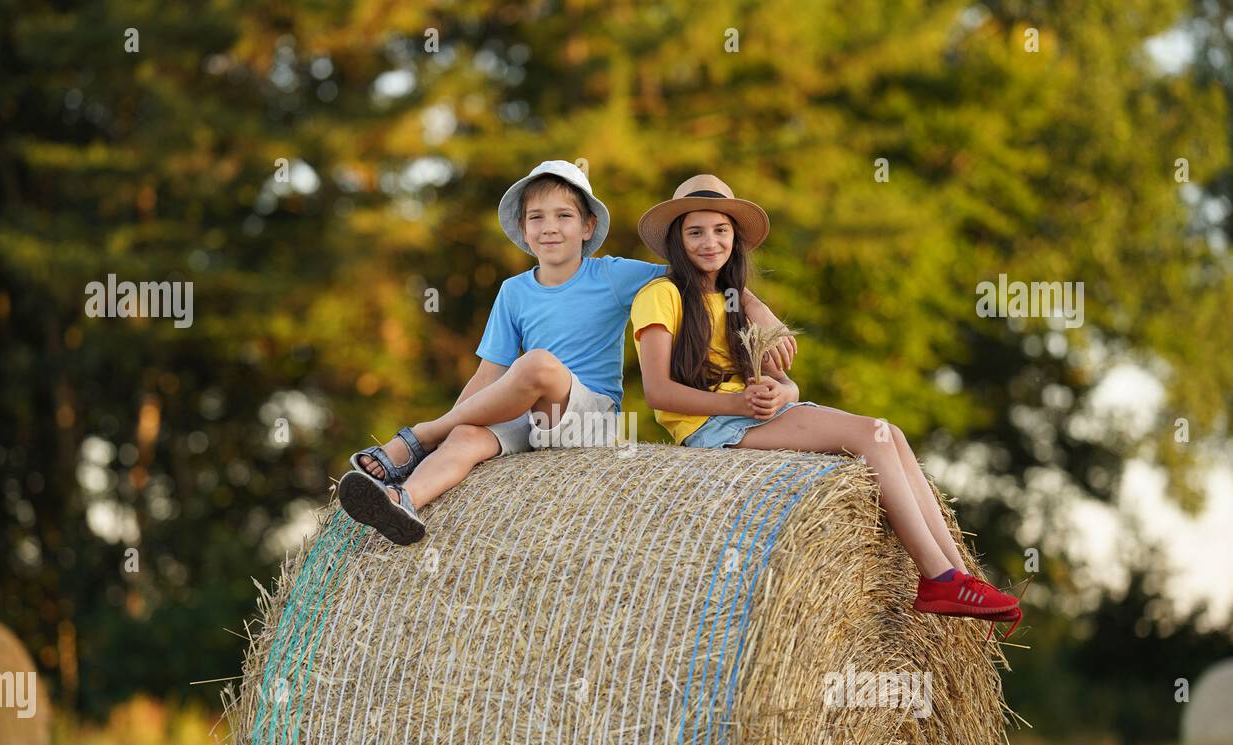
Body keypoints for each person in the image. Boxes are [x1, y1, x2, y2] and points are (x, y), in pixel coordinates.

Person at [628, 174, 1022, 635]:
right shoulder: (661, 295)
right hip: (708, 428)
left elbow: (786, 386)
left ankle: (964, 578)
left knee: (888, 433)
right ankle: (937, 577)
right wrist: (739, 404)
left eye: (720, 230)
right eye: (695, 232)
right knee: (868, 435)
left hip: (749, 415)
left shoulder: (735, 301)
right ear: (677, 240)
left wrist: (781, 392)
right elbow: (657, 392)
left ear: (735, 238)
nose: (709, 241)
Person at [337, 160, 797, 544]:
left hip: (589, 419)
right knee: (466, 438)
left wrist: (757, 306)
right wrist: (464, 418)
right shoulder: (513, 292)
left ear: (588, 226)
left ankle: (418, 437)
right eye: (537, 218)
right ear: (523, 229)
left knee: (538, 365)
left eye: (563, 216)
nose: (550, 228)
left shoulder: (613, 276)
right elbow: (488, 376)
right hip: (532, 418)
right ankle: (404, 501)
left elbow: (700, 271)